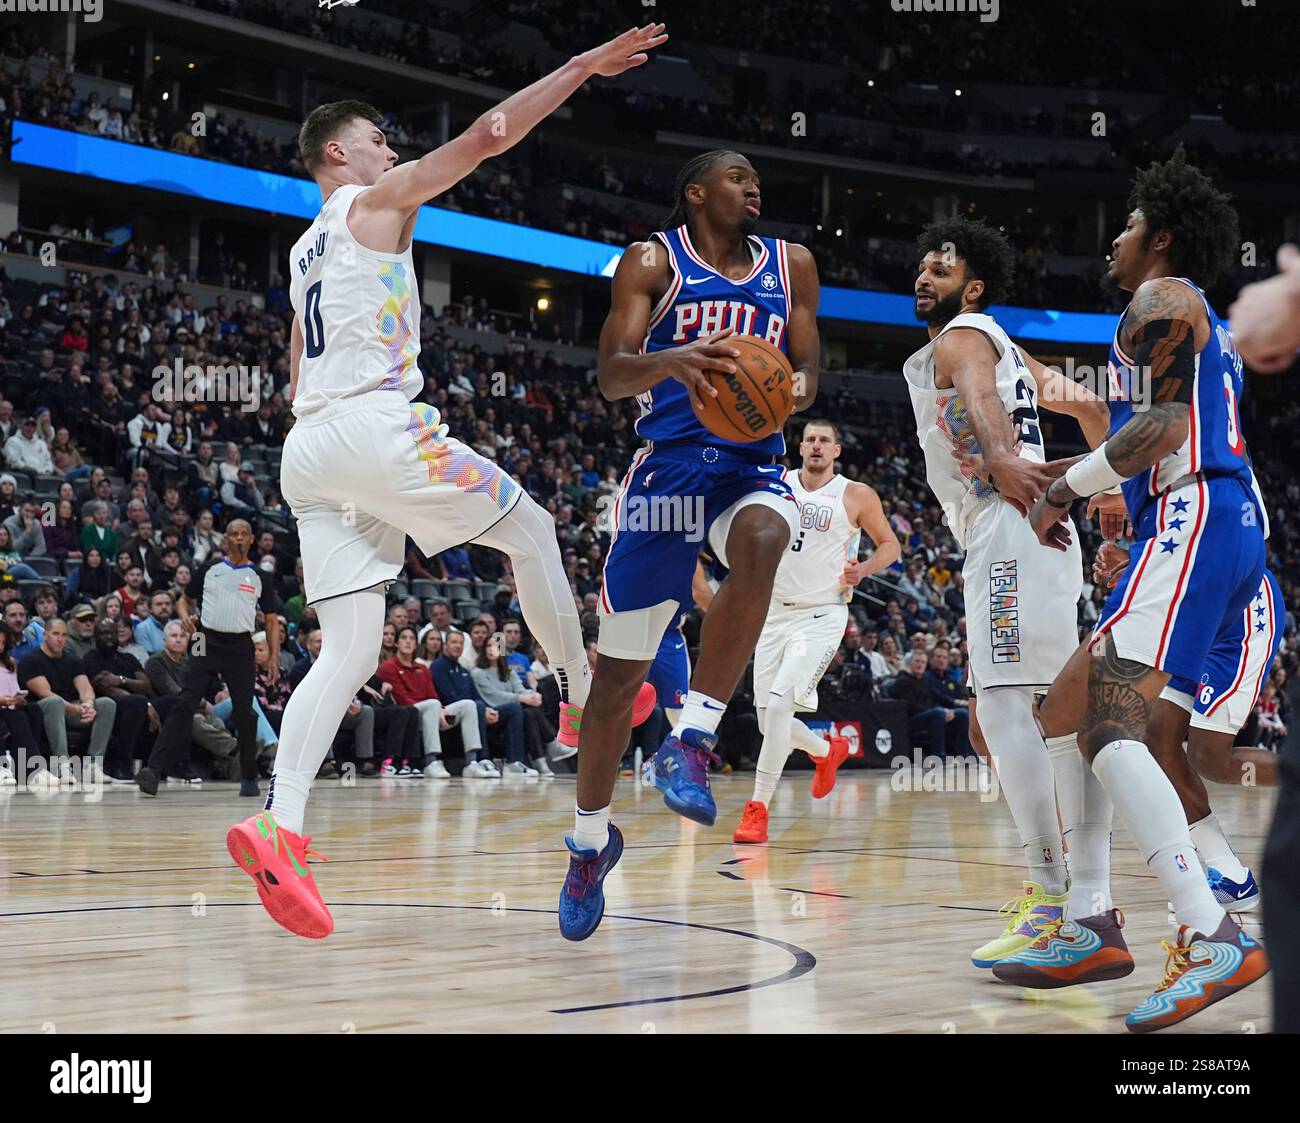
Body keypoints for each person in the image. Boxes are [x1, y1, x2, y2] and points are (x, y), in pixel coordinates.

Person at [228, 25, 670, 939]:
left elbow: (298, 366)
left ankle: (280, 824)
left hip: (309, 449)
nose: (394, 151)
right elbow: (490, 135)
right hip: (376, 432)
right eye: (380, 139)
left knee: (346, 652)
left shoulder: (305, 250)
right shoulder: (372, 201)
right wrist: (583, 68)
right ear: (341, 154)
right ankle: (580, 688)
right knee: (535, 529)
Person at [1006, 151, 1269, 1031]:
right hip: (1202, 522)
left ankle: (1209, 930)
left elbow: (1160, 428)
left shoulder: (1159, 300)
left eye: (1126, 225)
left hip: (1199, 518)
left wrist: (1063, 488)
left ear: (1158, 236)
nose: (1113, 239)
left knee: (1109, 725)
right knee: (1066, 712)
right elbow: (1165, 429)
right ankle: (1091, 918)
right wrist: (1126, 502)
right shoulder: (1191, 315)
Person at [560, 147, 822, 941]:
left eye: (756, 180)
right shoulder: (651, 259)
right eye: (737, 178)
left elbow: (809, 370)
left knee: (771, 534)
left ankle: (695, 737)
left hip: (749, 466)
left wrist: (779, 383)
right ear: (697, 191)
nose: (754, 188)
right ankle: (587, 844)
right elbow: (610, 373)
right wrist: (673, 363)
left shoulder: (792, 265)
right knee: (613, 691)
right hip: (667, 478)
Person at [901, 215, 1115, 973]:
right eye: (921, 267)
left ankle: (1052, 898)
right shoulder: (1009, 344)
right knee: (1041, 720)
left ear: (973, 285)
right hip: (1035, 523)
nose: (923, 277)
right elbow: (1092, 411)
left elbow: (978, 396)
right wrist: (1097, 488)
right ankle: (1087, 903)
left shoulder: (963, 337)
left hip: (1005, 526)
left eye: (940, 268)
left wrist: (1002, 464)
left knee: (999, 709)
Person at [733, 418, 901, 844]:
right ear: (800, 447)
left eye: (825, 440)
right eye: (809, 440)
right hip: (772, 613)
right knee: (769, 722)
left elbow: (890, 546)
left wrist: (863, 569)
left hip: (822, 613)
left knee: (780, 706)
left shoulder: (855, 494)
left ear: (837, 450)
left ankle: (757, 810)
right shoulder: (776, 486)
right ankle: (828, 751)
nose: (816, 446)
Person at [137, 519, 279, 798]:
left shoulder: (261, 576)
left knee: (244, 711)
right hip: (205, 640)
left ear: (251, 539)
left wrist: (273, 657)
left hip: (241, 644)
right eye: (233, 534)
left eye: (243, 534)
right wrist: (184, 619)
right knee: (184, 703)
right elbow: (183, 600)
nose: (238, 539)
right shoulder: (209, 569)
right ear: (225, 539)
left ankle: (249, 776)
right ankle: (153, 770)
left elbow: (272, 621)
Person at [19, 618, 115, 787]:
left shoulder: (73, 660)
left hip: (72, 709)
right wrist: (76, 709)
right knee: (54, 701)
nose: (60, 639)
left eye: (64, 635)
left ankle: (93, 764)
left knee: (107, 703)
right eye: (56, 634)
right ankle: (61, 764)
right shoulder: (31, 660)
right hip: (43, 711)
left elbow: (85, 687)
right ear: (45, 635)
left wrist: (88, 706)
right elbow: (44, 692)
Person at [376, 624, 478, 778]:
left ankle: (472, 762)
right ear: (396, 643)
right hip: (408, 712)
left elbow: (433, 694)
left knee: (469, 705)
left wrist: (441, 710)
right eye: (404, 638)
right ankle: (432, 761)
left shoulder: (422, 668)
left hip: (432, 709)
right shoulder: (388, 667)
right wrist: (436, 707)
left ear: (416, 644)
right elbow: (402, 699)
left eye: (412, 639)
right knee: (432, 704)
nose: (408, 642)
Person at [82, 617, 167, 782]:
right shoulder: (90, 658)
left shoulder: (128, 658)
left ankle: (172, 765)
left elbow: (146, 684)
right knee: (136, 702)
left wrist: (121, 680)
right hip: (109, 708)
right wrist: (144, 702)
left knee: (174, 703)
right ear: (95, 637)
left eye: (112, 633)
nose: (108, 637)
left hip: (139, 705)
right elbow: (105, 687)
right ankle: (121, 764)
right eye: (103, 634)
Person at [471, 631, 551, 776]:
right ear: (483, 650)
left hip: (510, 712)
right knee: (516, 707)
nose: (491, 649)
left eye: (496, 646)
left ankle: (541, 757)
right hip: (492, 713)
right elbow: (493, 697)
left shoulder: (509, 672)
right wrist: (521, 698)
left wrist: (532, 695)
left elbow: (520, 689)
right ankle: (516, 760)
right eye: (488, 646)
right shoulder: (478, 672)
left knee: (529, 712)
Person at [0, 625, 41, 786]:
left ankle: (31, 767)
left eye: (2, 643)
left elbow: (14, 688)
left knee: (33, 709)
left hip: (8, 706)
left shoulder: (10, 663)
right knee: (16, 716)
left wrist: (18, 699)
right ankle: (3, 766)